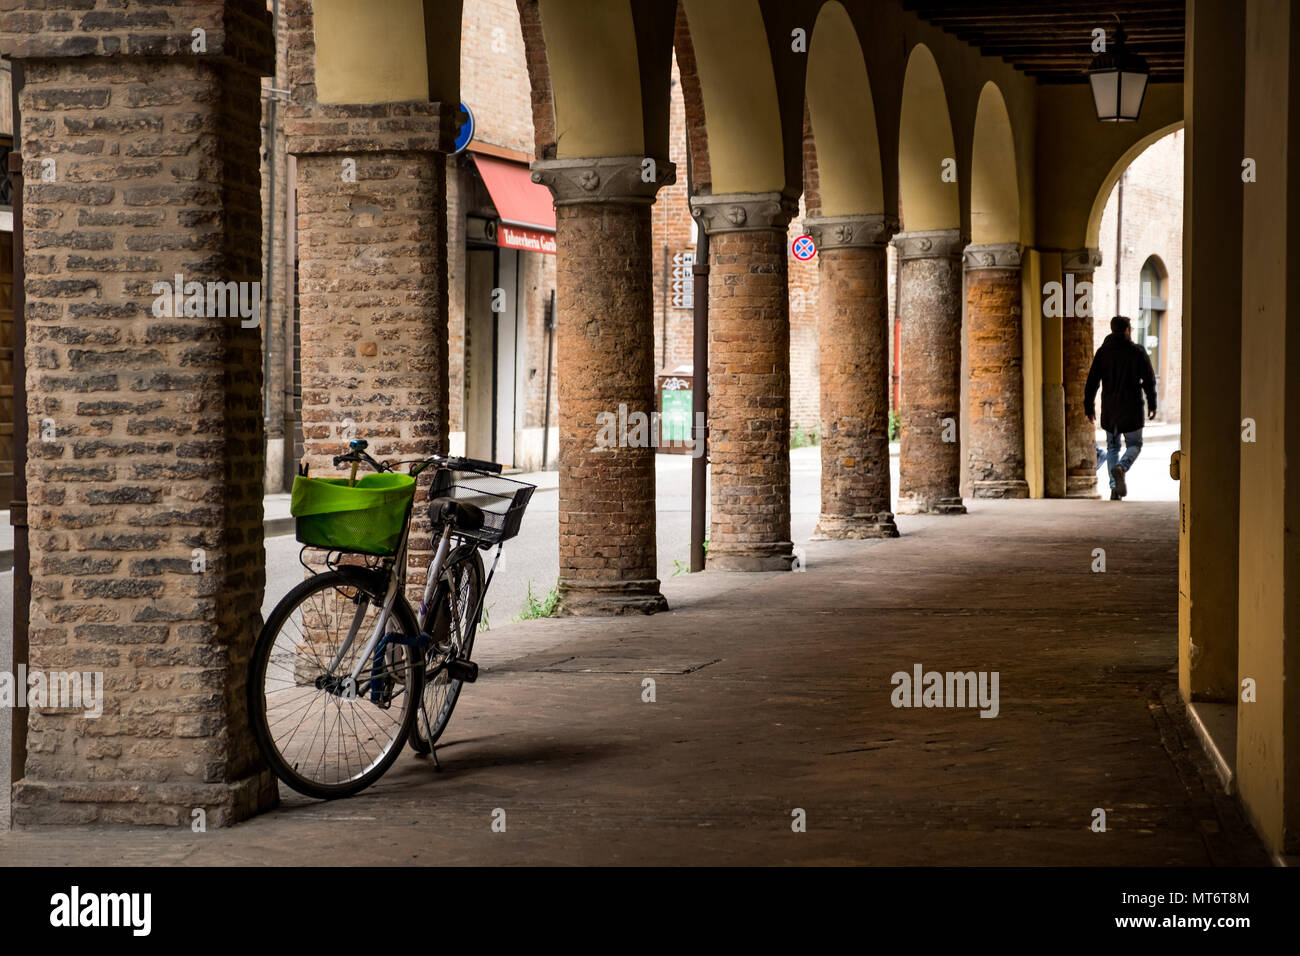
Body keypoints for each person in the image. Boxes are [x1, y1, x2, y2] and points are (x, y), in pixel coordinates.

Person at [1084, 315, 1157, 500]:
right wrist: (1152, 403)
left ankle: (1115, 489)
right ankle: (1121, 468)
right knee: (1135, 444)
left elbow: (1092, 381)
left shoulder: (1103, 352)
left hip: (1111, 409)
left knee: (1112, 448)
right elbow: (1149, 379)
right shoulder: (1137, 352)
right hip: (1132, 408)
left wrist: (1089, 407)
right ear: (1127, 330)